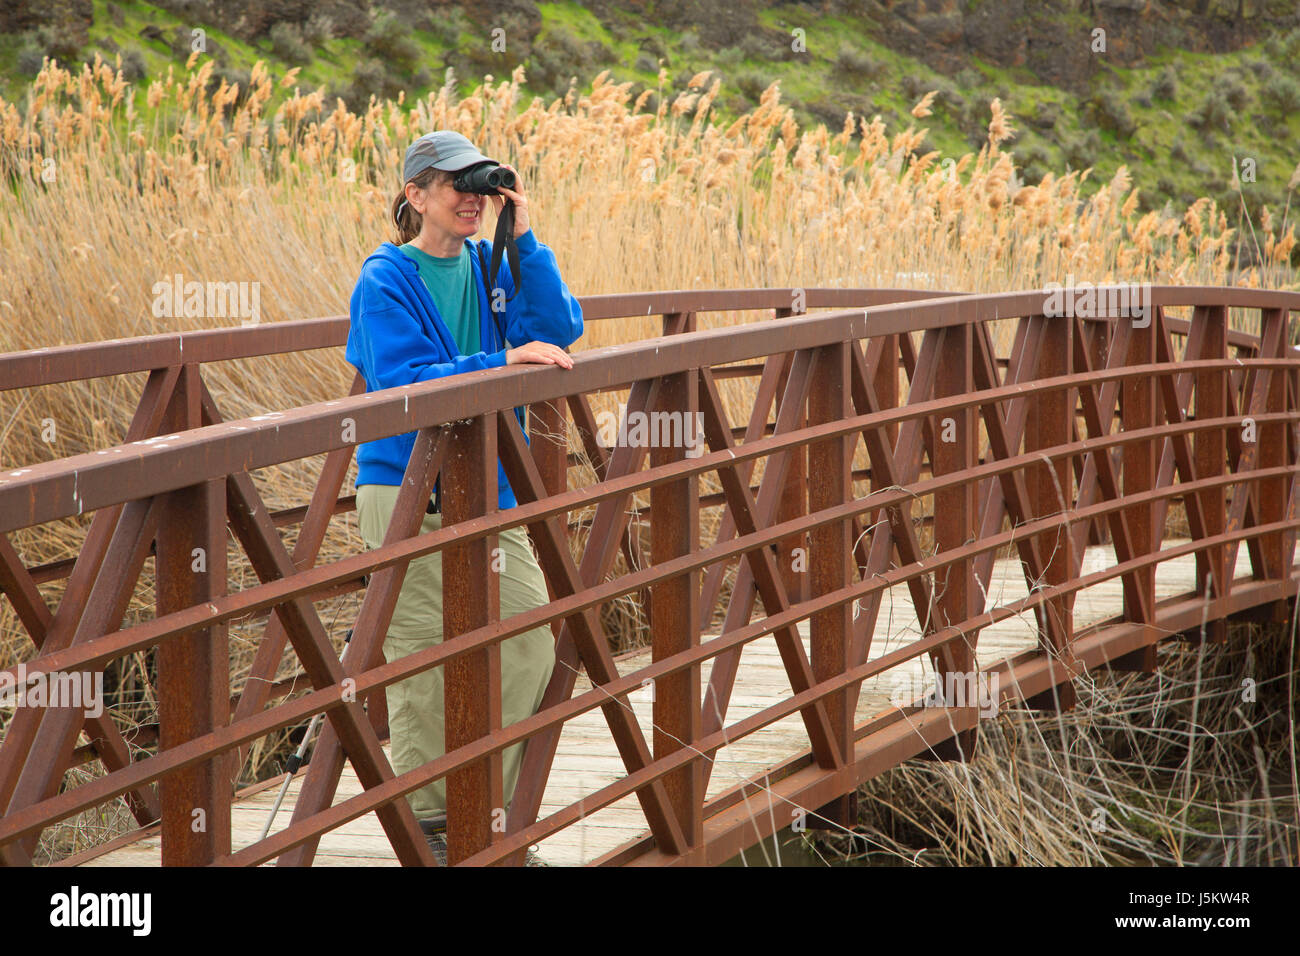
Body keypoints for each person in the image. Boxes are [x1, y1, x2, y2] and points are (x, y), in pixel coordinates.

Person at [345, 130, 583, 864]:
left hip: (489, 488)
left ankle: (489, 813)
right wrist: (499, 360)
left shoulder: (489, 267)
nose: (473, 200)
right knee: (424, 659)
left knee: (528, 648)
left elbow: (559, 328)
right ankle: (435, 829)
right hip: (406, 491)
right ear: (416, 196)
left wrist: (524, 237)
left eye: (482, 188)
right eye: (457, 187)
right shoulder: (384, 277)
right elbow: (406, 379)